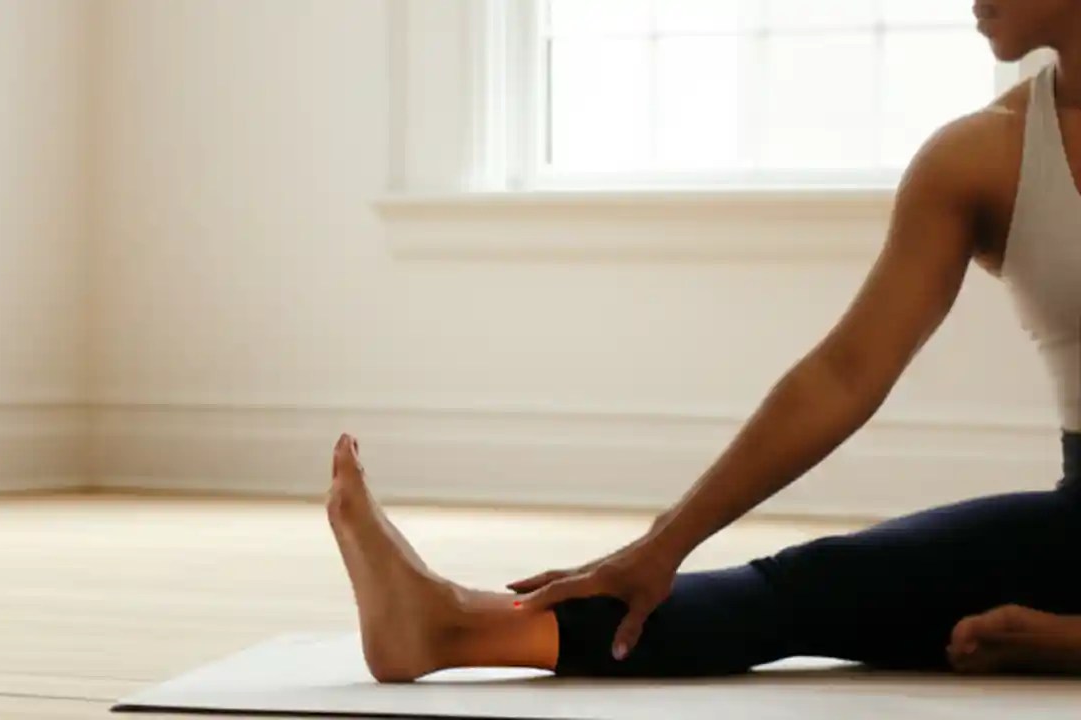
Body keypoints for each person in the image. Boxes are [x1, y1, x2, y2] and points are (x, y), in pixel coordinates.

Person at [325, 0, 1081, 683]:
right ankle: (452, 626)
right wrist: (662, 545)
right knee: (805, 588)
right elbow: (844, 375)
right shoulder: (982, 158)